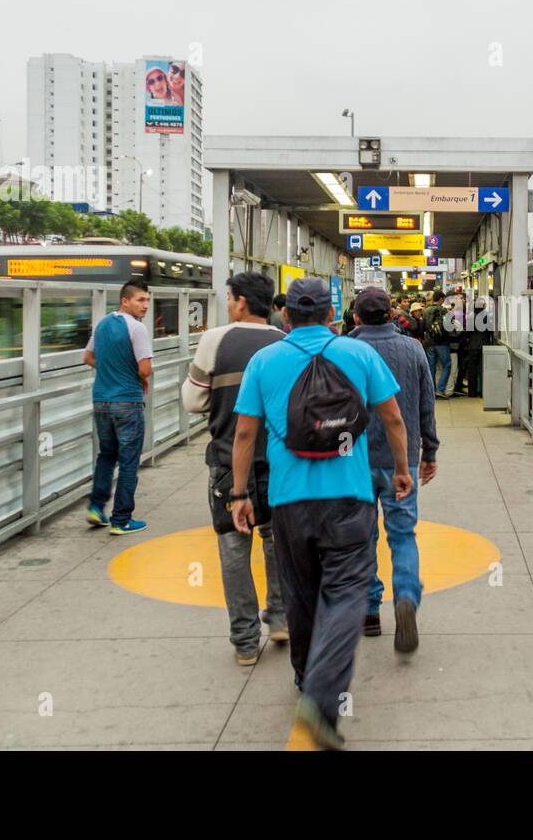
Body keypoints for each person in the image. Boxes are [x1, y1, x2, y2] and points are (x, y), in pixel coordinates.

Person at [231, 277, 412, 751]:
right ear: (332, 316)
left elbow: (245, 435)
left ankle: (304, 680)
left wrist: (239, 494)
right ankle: (320, 700)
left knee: (301, 595)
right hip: (349, 499)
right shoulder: (359, 355)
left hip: (288, 502)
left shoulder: (264, 360)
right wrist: (400, 469)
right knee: (347, 595)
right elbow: (393, 418)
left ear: (284, 316)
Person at [181, 271, 288, 667]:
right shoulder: (285, 343)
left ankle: (245, 642)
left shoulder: (215, 340)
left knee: (233, 550)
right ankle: (280, 619)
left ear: (241, 301)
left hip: (228, 464)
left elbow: (193, 401)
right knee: (277, 543)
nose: (227, 303)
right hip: (279, 464)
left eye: (229, 298)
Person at [349, 287, 438, 652]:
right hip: (402, 459)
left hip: (354, 460)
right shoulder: (413, 349)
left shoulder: (344, 350)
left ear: (356, 316)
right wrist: (429, 450)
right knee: (403, 534)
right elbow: (426, 402)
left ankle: (369, 612)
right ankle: (406, 597)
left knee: (362, 536)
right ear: (391, 315)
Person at [83, 279, 153, 535]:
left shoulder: (102, 324)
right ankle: (121, 519)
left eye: (147, 300)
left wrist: (111, 371)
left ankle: (96, 507)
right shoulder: (136, 328)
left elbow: (88, 357)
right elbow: (145, 368)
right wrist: (138, 377)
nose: (145, 305)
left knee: (106, 455)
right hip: (127, 402)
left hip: (101, 400)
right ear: (125, 301)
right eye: (140, 300)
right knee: (128, 461)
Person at [421, 290, 451, 399]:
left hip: (429, 342)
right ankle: (440, 389)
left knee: (431, 367)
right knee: (447, 364)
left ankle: (431, 391)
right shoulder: (443, 310)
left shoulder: (426, 311)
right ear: (441, 299)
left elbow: (422, 327)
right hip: (442, 342)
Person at [464, 297, 492, 397]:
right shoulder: (487, 316)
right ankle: (483, 392)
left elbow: (467, 333)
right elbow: (490, 331)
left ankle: (472, 392)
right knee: (483, 370)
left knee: (472, 370)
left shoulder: (471, 317)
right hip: (484, 346)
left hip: (472, 346)